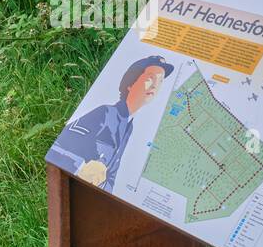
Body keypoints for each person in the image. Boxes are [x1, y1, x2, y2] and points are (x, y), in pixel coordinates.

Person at [46, 55, 174, 191]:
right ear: (131, 83)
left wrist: (100, 187)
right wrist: (80, 168)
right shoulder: (105, 113)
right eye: (150, 78)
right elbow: (58, 147)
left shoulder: (129, 127)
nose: (155, 85)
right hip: (65, 186)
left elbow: (110, 178)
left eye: (160, 81)